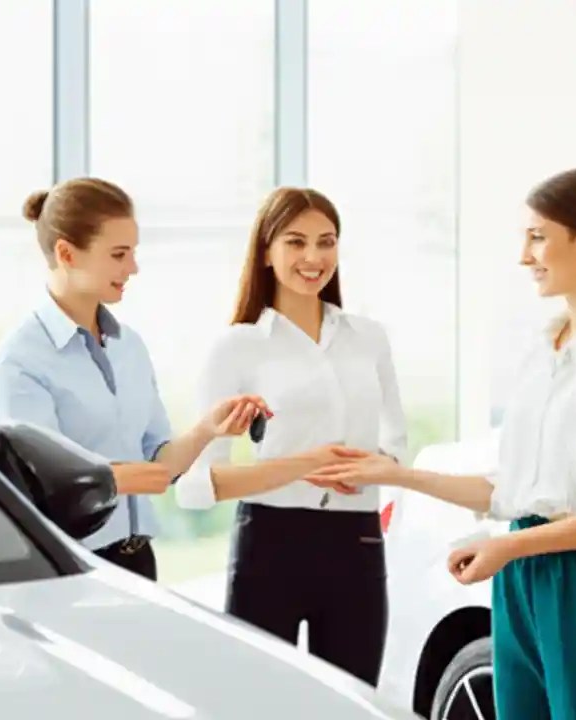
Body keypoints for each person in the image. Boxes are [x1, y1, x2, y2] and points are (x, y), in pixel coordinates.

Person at [306, 168, 576, 718]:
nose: (525, 256)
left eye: (537, 237)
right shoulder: (543, 349)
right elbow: (511, 491)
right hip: (521, 580)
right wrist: (391, 473)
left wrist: (507, 547)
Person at [171, 187, 408, 686]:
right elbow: (196, 485)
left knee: (352, 704)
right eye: (296, 242)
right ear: (266, 251)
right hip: (270, 546)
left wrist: (370, 467)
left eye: (326, 242)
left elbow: (396, 444)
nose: (313, 257)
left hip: (357, 543)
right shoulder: (237, 347)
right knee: (260, 702)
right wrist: (304, 465)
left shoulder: (370, 338)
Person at [0, 177, 268, 581]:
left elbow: (159, 463)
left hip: (138, 561)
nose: (132, 268)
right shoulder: (19, 362)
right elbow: (39, 491)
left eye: (133, 252)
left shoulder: (127, 346)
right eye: (119, 254)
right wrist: (119, 479)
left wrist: (209, 428)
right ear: (66, 253)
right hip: (69, 570)